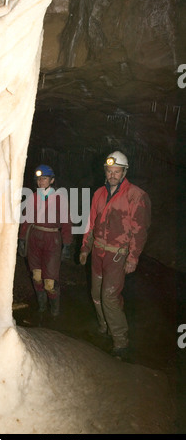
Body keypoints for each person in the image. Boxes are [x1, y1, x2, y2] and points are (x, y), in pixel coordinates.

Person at [79, 151, 151, 360]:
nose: (112, 175)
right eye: (109, 171)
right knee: (96, 293)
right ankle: (105, 327)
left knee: (109, 296)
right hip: (98, 252)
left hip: (117, 255)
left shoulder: (136, 196)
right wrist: (85, 247)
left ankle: (120, 340)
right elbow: (91, 223)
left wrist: (133, 257)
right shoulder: (99, 194)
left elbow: (140, 230)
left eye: (116, 172)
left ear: (124, 172)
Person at [18, 164, 72, 323]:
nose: (41, 182)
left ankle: (54, 311)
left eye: (45, 178)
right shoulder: (33, 197)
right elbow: (27, 220)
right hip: (35, 238)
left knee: (49, 282)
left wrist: (67, 244)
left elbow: (66, 222)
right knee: (36, 276)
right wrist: (22, 239)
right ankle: (42, 307)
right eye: (39, 179)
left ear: (52, 180)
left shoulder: (59, 198)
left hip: (52, 240)